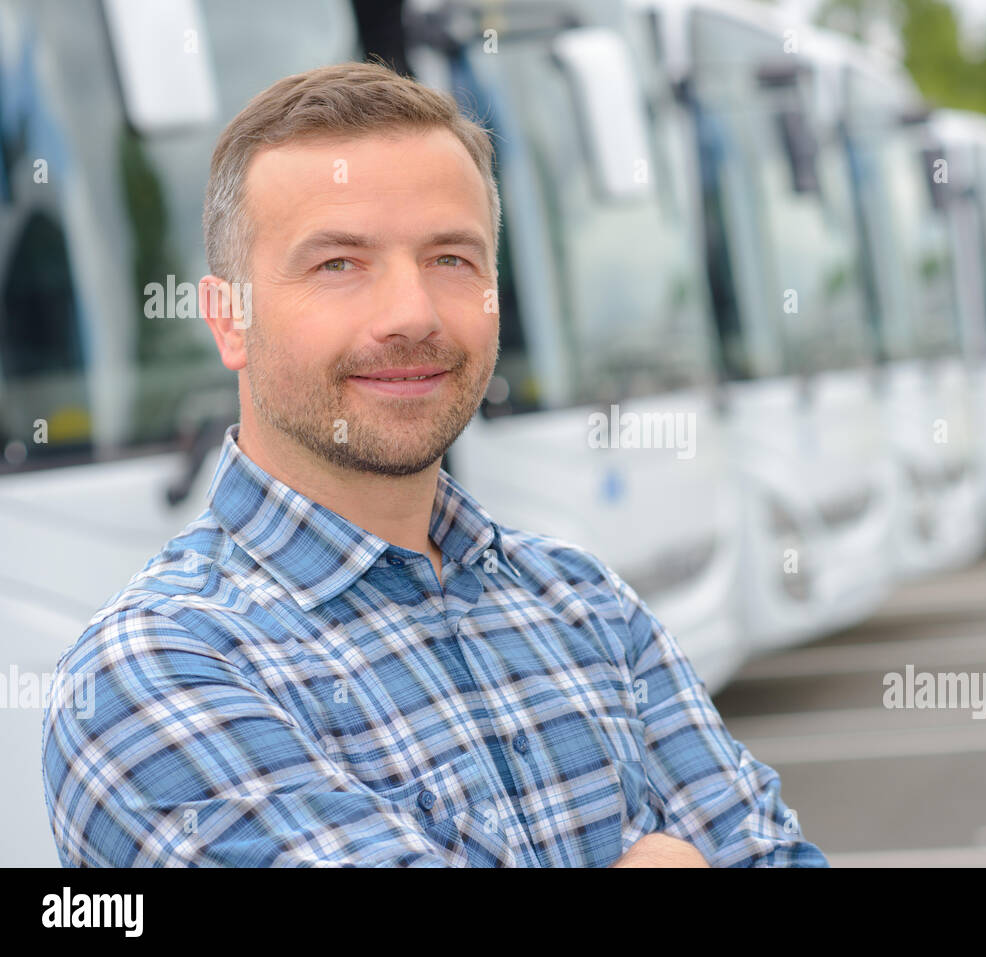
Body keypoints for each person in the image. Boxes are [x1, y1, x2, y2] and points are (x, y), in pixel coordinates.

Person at [40, 60, 828, 868]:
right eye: (338, 264)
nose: (410, 314)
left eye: (451, 259)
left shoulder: (587, 602)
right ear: (228, 320)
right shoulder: (153, 672)